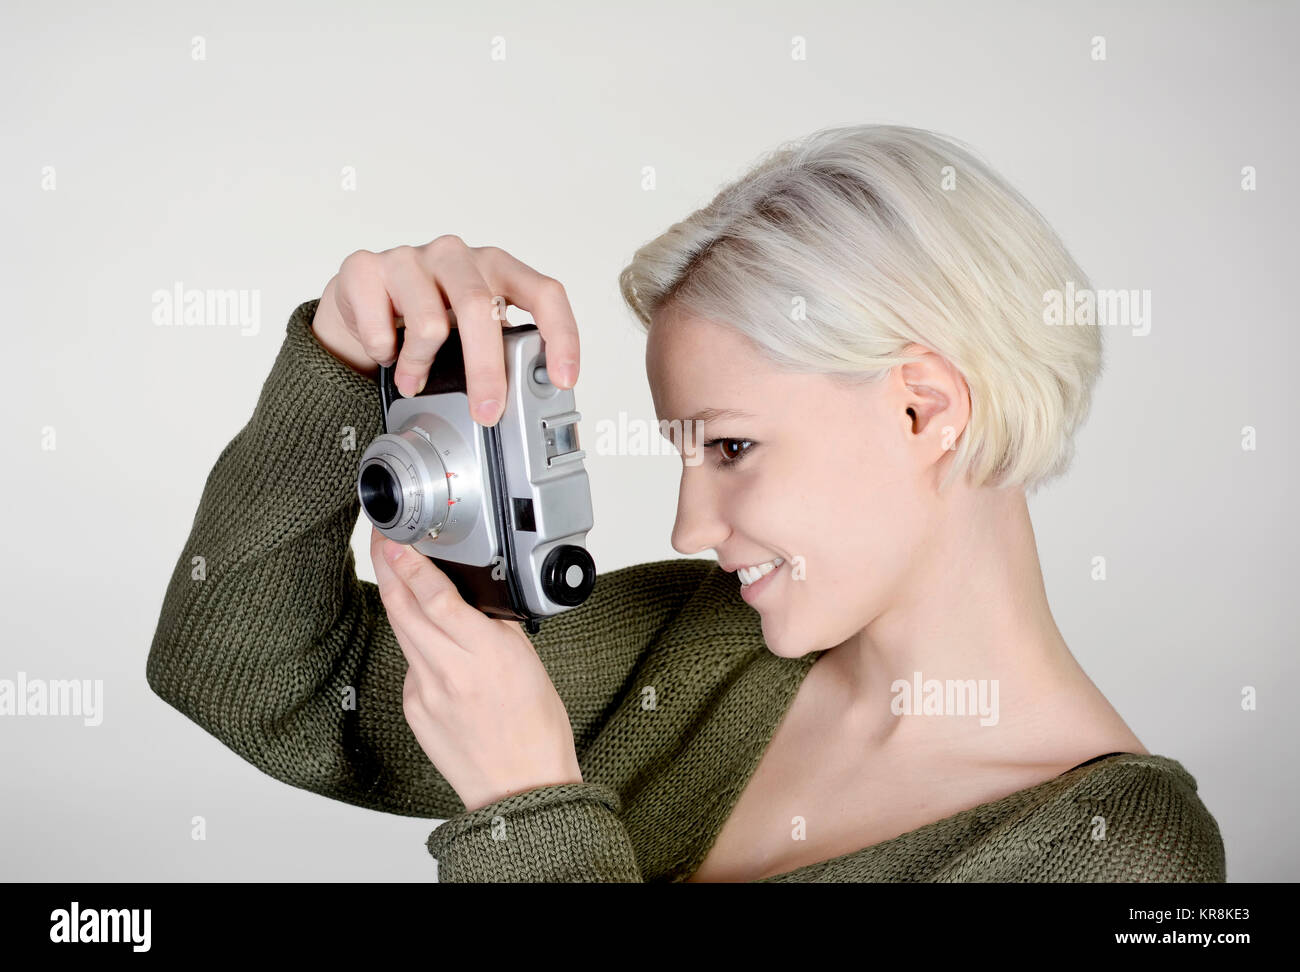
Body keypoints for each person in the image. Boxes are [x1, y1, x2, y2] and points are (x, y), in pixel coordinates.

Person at [147, 123, 1226, 882]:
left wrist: (530, 812)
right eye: (682, 451)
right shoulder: (696, 646)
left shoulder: (1119, 857)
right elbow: (247, 677)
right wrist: (346, 359)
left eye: (733, 447)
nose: (688, 528)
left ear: (923, 409)